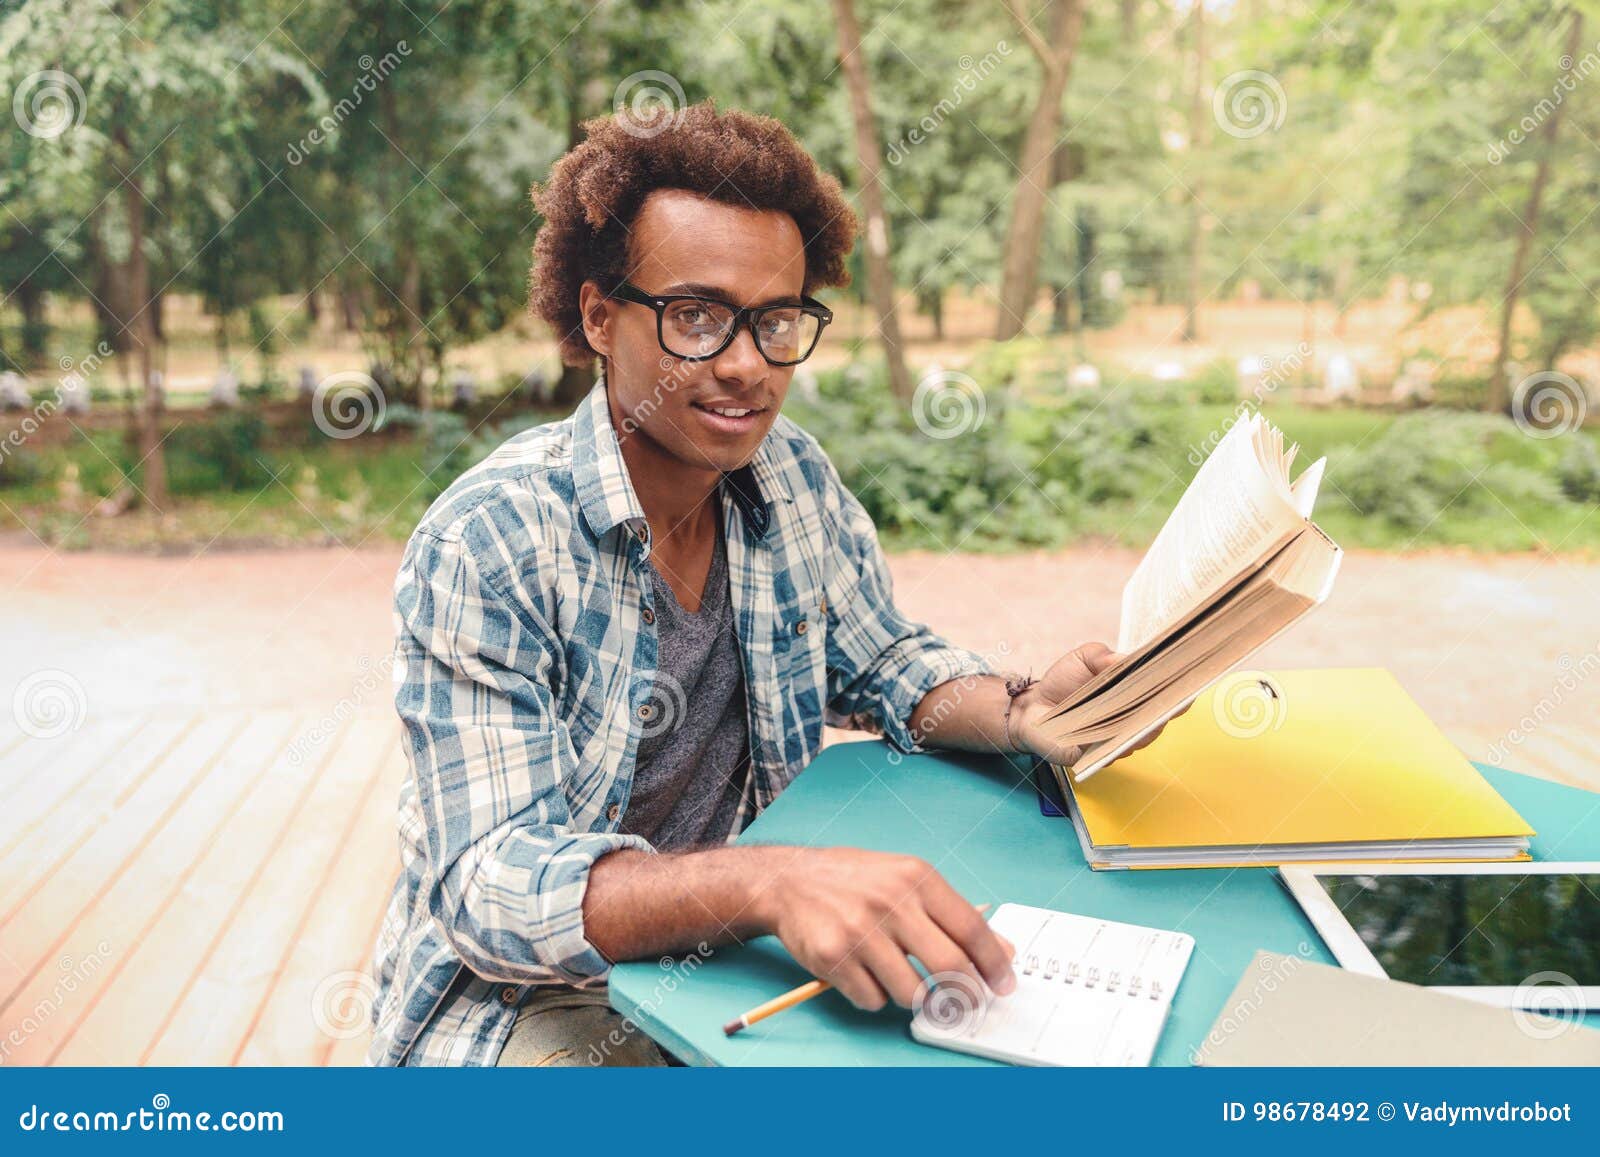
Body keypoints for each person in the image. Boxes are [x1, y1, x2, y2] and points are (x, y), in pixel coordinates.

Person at [368, 101, 1140, 1067]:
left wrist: (1023, 708)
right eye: (695, 316)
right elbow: (492, 887)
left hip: (733, 963)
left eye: (776, 321)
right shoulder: (490, 542)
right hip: (526, 1005)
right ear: (600, 316)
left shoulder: (790, 475)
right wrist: (770, 882)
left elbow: (885, 660)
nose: (745, 366)